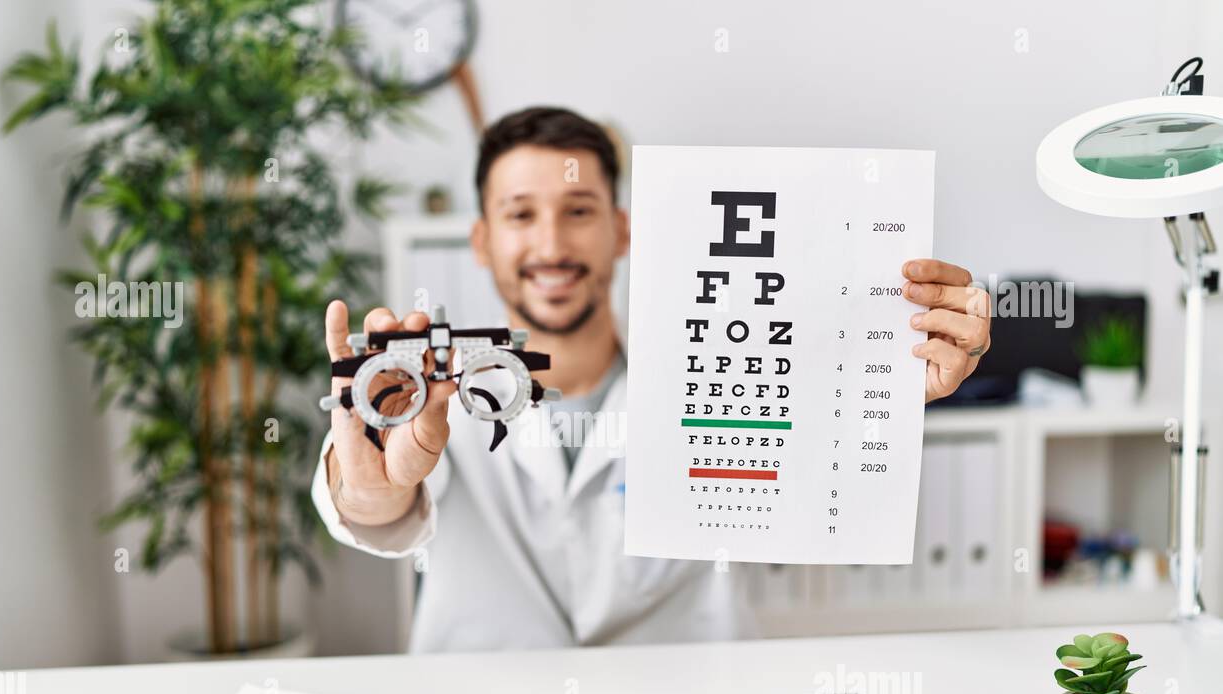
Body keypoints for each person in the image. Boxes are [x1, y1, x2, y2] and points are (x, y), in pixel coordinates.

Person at [313, 106, 991, 652]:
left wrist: (882, 389)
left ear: (622, 230)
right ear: (483, 240)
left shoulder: (734, 374)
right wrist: (372, 491)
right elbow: (381, 511)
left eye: (579, 211)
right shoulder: (424, 395)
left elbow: (823, 499)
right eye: (521, 214)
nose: (551, 245)